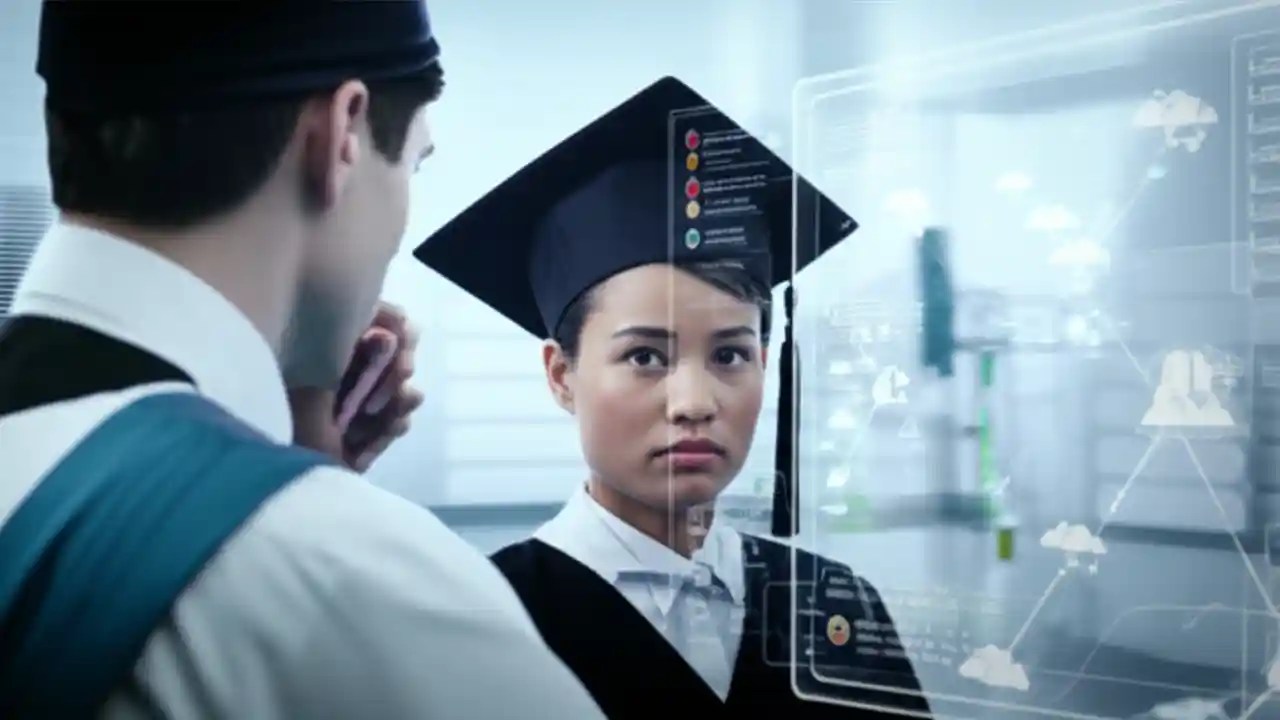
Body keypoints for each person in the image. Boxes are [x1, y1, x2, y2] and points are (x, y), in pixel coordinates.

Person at [0, 4, 605, 719]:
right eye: (413, 163)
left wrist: (285, 454)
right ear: (342, 134)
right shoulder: (357, 584)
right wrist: (304, 499)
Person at [415, 76, 934, 718]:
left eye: (729, 355)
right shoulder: (485, 625)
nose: (694, 402)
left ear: (764, 362)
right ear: (561, 375)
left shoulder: (835, 607)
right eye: (645, 357)